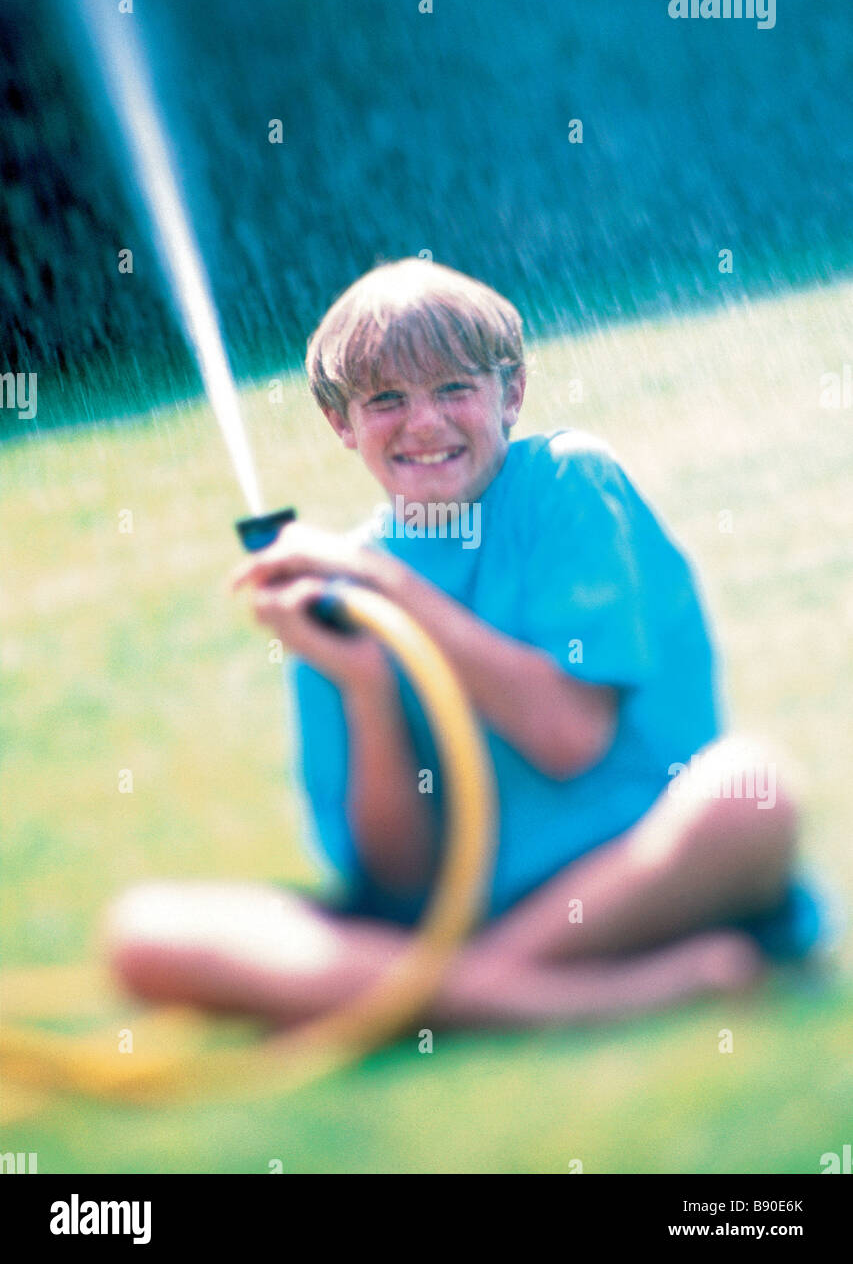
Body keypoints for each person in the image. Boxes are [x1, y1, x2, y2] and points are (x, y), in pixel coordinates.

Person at [105, 259, 828, 1027]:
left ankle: (434, 1000)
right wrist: (365, 686)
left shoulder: (561, 483)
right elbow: (400, 882)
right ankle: (576, 996)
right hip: (458, 921)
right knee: (143, 932)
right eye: (385, 399)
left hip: (633, 879)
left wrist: (388, 590)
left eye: (454, 388)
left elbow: (569, 736)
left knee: (752, 793)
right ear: (339, 423)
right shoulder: (335, 589)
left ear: (510, 392)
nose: (423, 423)